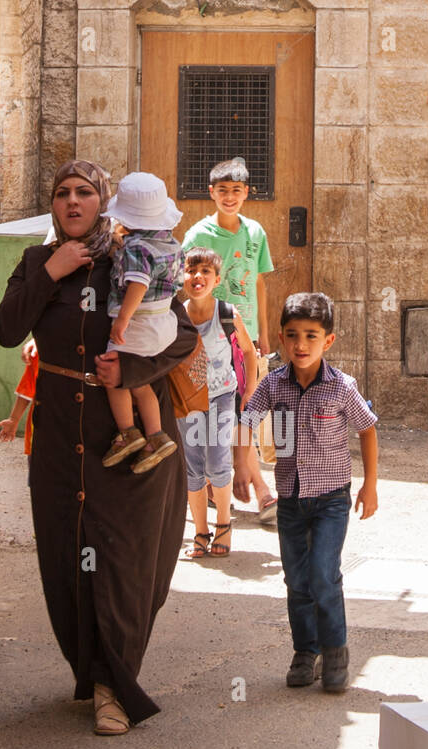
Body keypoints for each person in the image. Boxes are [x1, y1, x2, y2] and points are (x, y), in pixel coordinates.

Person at [0, 160, 197, 735]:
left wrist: (129, 367)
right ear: (52, 205)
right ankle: (90, 671)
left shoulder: (130, 256)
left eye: (85, 192)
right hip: (60, 435)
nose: (73, 202)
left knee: (124, 562)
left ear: (104, 202)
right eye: (62, 193)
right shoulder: (37, 262)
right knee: (66, 557)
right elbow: (6, 329)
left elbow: (181, 334)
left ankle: (115, 685)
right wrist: (50, 272)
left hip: (129, 438)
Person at [235, 292, 379, 694]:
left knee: (322, 575)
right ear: (281, 337)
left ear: (328, 341)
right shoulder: (273, 385)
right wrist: (242, 466)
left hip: (332, 499)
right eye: (293, 336)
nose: (301, 345)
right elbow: (247, 419)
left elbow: (367, 429)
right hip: (291, 501)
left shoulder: (341, 388)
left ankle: (335, 652)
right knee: (297, 580)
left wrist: (370, 484)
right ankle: (305, 652)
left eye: (311, 336)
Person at [182, 157, 279, 522]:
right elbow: (186, 283)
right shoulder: (198, 236)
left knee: (242, 417)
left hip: (246, 337)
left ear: (246, 194)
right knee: (226, 418)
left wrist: (263, 335)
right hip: (212, 336)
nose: (229, 197)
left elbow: (258, 282)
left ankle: (249, 490)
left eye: (236, 191)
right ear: (211, 193)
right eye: (222, 191)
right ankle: (260, 492)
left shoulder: (255, 233)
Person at [101, 172, 185, 473]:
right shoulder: (171, 243)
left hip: (138, 322)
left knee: (115, 376)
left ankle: (127, 433)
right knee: (142, 382)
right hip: (163, 323)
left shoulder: (136, 248)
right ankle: (157, 436)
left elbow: (138, 283)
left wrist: (122, 321)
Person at [179, 247, 257, 558]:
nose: (197, 276)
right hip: (187, 401)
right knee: (192, 468)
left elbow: (249, 352)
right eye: (191, 270)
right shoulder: (176, 316)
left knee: (218, 463)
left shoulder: (227, 314)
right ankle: (200, 532)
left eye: (205, 272)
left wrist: (249, 389)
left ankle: (223, 525)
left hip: (223, 397)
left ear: (216, 279)